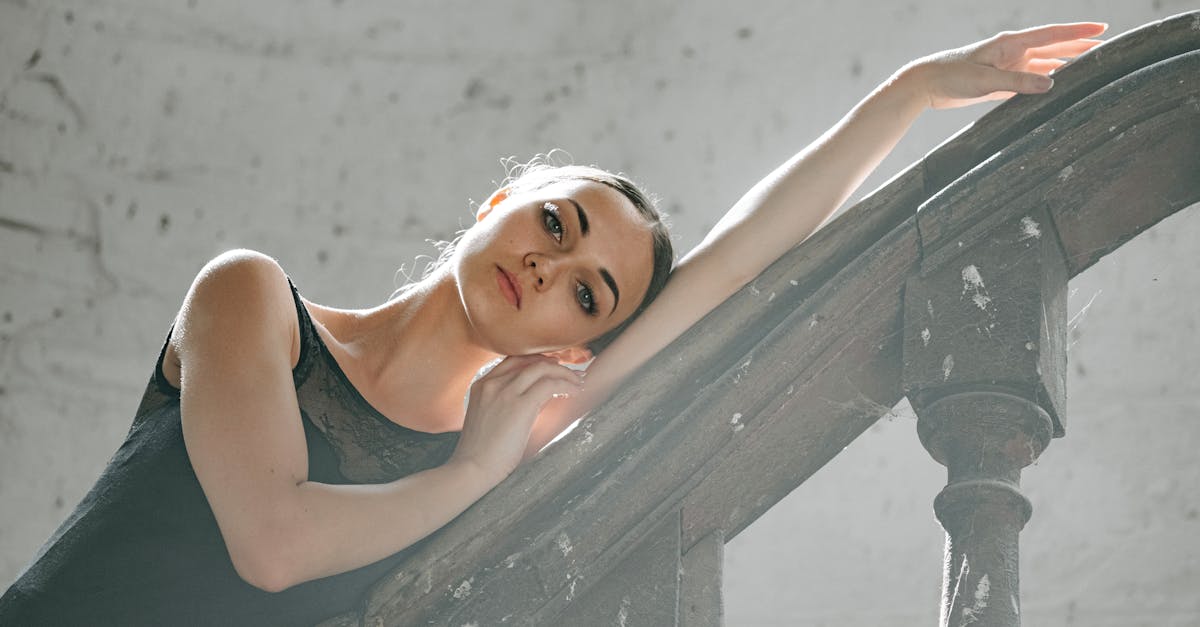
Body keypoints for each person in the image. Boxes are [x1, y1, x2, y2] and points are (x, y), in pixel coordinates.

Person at [0, 21, 1106, 625]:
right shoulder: (250, 299)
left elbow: (734, 263)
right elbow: (274, 546)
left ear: (575, 345)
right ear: (500, 203)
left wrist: (904, 94)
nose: (555, 266)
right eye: (558, 222)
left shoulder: (523, 417)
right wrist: (472, 474)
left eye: (591, 294)